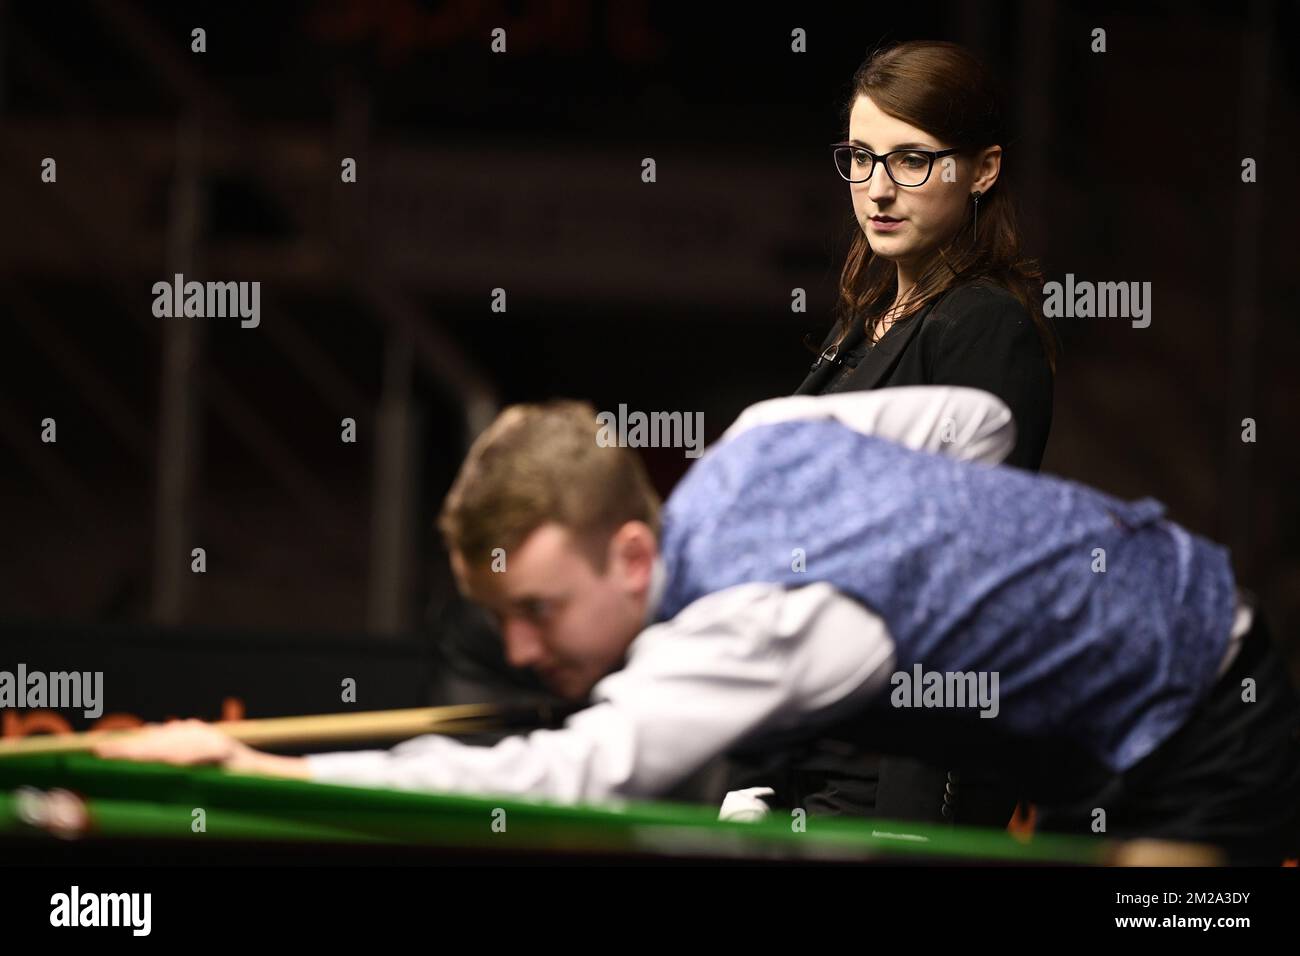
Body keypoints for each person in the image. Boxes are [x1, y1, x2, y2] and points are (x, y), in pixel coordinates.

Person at [96, 387, 1300, 862]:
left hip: (1203, 725)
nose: (521, 650)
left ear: (631, 552)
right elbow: (976, 422)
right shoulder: (765, 433)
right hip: (1168, 648)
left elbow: (550, 785)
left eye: (538, 609)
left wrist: (252, 763)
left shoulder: (737, 627)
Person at [768, 39, 1057, 826]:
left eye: (913, 161)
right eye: (862, 158)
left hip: (889, 772)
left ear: (984, 170)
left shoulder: (985, 326)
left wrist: (912, 818)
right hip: (820, 756)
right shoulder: (868, 324)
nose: (879, 189)